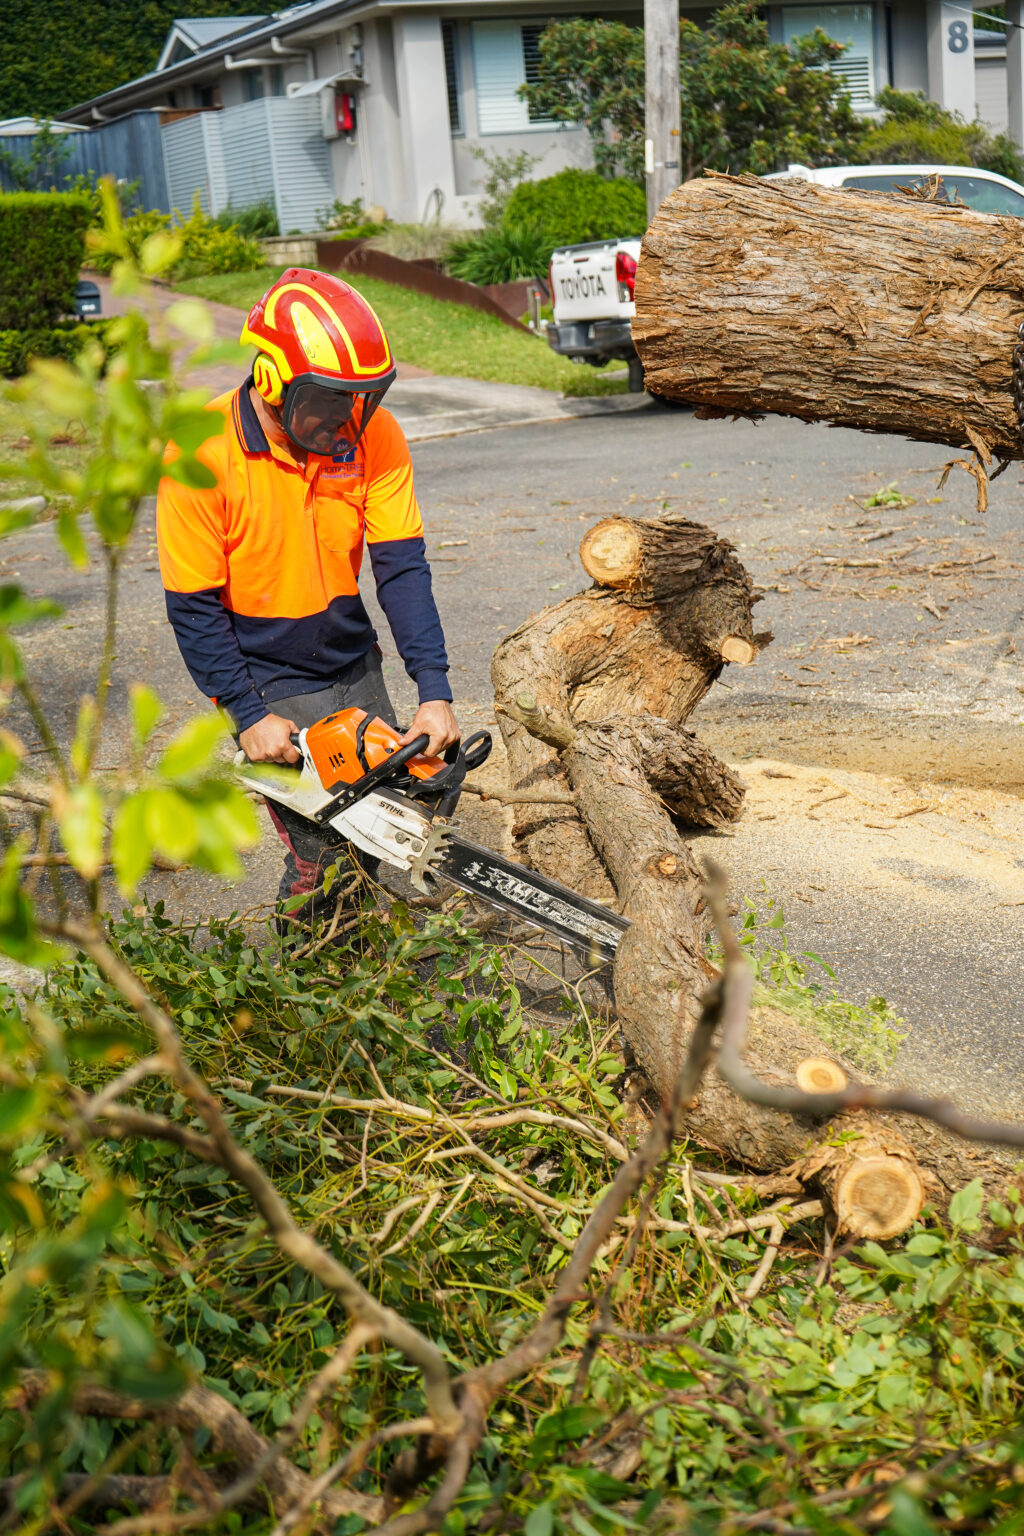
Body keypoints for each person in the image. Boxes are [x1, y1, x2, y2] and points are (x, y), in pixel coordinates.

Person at [156, 267, 459, 930]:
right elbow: (193, 606)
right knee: (322, 850)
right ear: (272, 382)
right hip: (267, 675)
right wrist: (245, 713)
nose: (347, 417)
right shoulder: (200, 454)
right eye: (329, 400)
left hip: (350, 656)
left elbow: (401, 569)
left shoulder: (371, 437)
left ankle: (360, 966)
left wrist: (433, 691)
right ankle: (306, 1000)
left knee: (386, 822)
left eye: (361, 398)